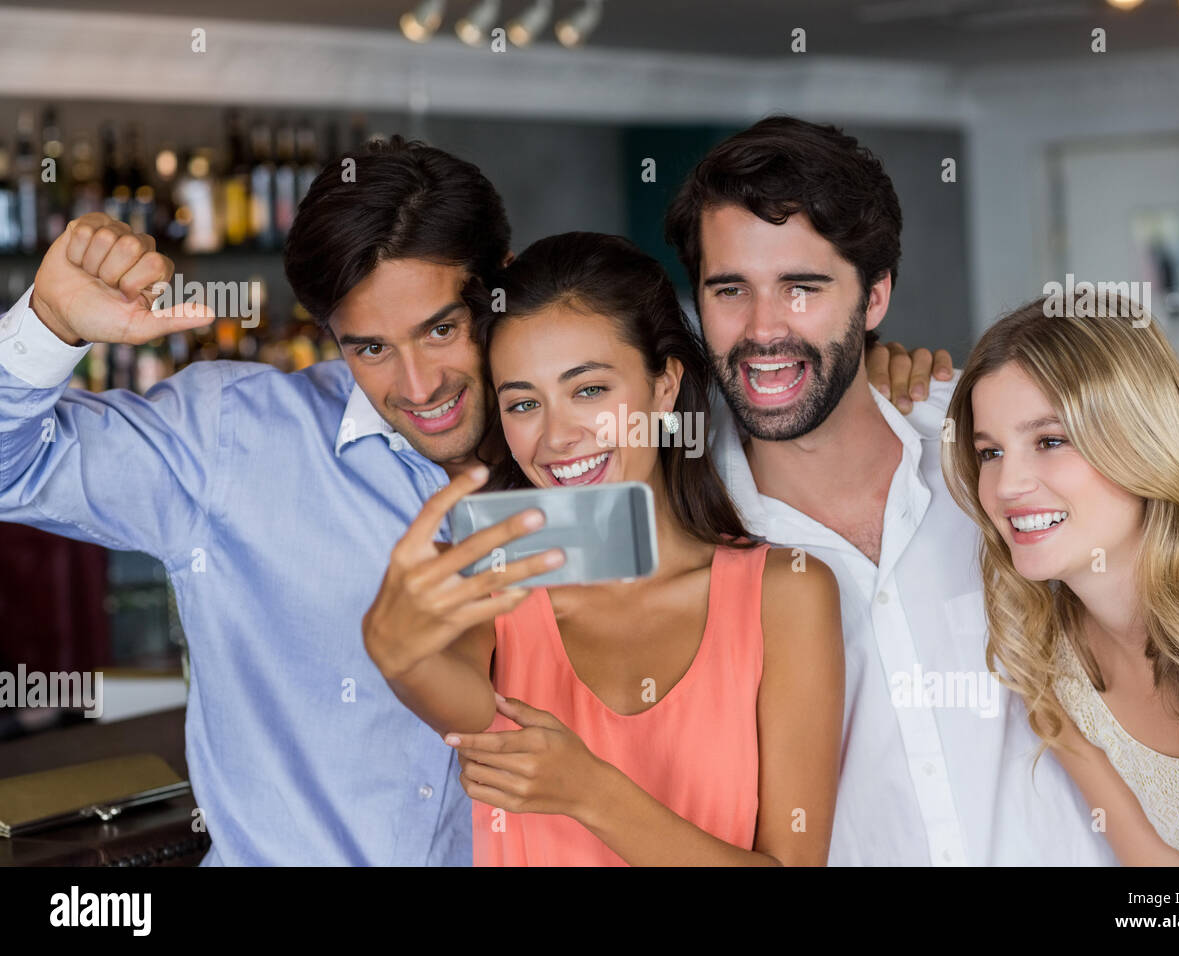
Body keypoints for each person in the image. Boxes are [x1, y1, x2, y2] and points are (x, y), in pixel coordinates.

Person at [0, 133, 936, 865]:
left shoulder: (617, 464)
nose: (417, 385)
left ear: (497, 293)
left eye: (441, 328)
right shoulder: (231, 442)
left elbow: (783, 404)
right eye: (368, 347)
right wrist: (46, 329)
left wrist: (900, 381)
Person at [664, 115, 1116, 865]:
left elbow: (1168, 584)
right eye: (730, 289)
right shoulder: (688, 526)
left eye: (802, 287)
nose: (762, 328)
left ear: (874, 299)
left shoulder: (992, 450)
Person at [362, 232, 845, 865]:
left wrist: (592, 794)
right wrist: (395, 653)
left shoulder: (787, 592)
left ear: (665, 387)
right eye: (524, 403)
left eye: (588, 390)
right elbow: (456, 702)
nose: (558, 436)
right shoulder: (500, 585)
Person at [940, 293, 1179, 866]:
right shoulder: (1049, 657)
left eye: (1050, 441)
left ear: (1141, 442)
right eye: (990, 453)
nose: (1006, 487)